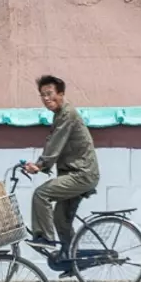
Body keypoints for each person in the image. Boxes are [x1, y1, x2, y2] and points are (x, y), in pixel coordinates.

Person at [24, 75, 100, 258]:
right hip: (76, 173)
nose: (46, 99)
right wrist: (38, 164)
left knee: (41, 194)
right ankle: (70, 257)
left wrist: (40, 165)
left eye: (50, 94)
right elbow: (54, 143)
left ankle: (45, 238)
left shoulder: (67, 114)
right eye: (42, 95)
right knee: (61, 219)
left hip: (82, 174)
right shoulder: (59, 115)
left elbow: (55, 144)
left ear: (61, 93)